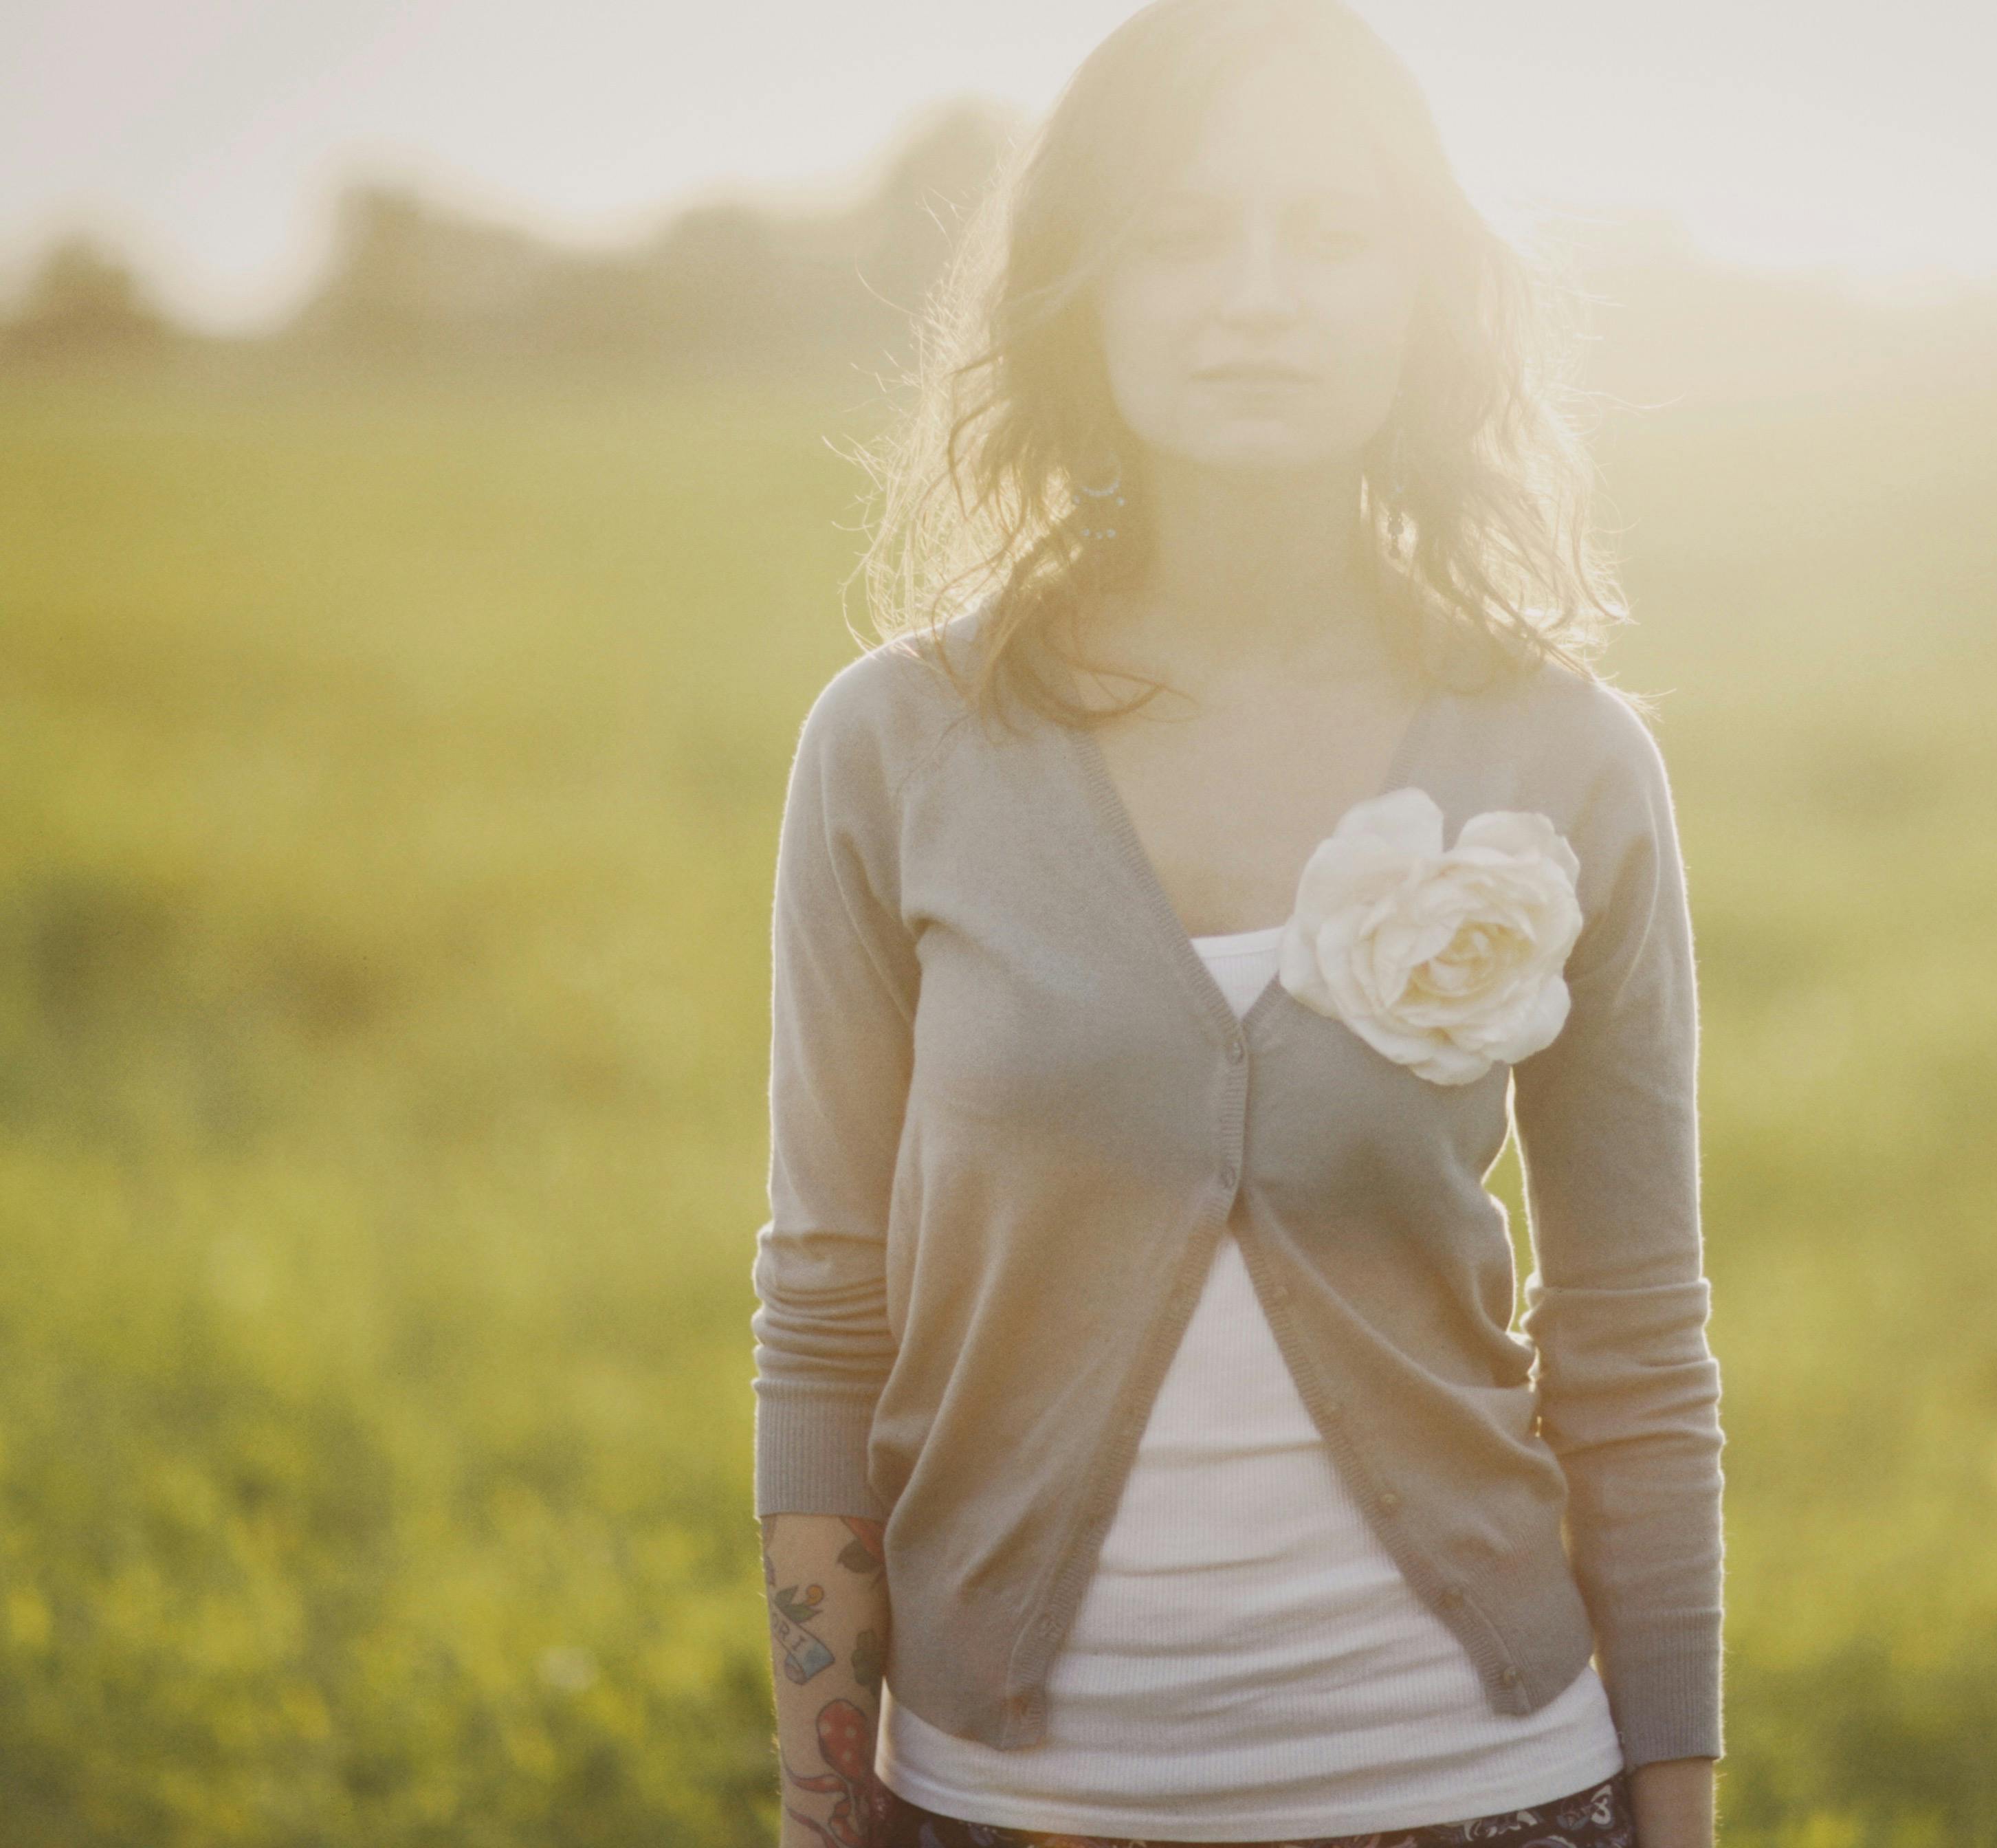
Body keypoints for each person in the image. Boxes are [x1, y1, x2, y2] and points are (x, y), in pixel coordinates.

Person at [749, 4, 1725, 1848]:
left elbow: (1639, 1346)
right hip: (1000, 1808)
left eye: (1330, 232)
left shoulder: (1567, 758)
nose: (1259, 295)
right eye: (1188, 234)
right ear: (1086, 291)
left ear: (1419, 289)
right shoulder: (893, 747)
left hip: (1495, 1796)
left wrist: (1674, 1824)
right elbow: (823, 1316)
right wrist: (824, 1808)